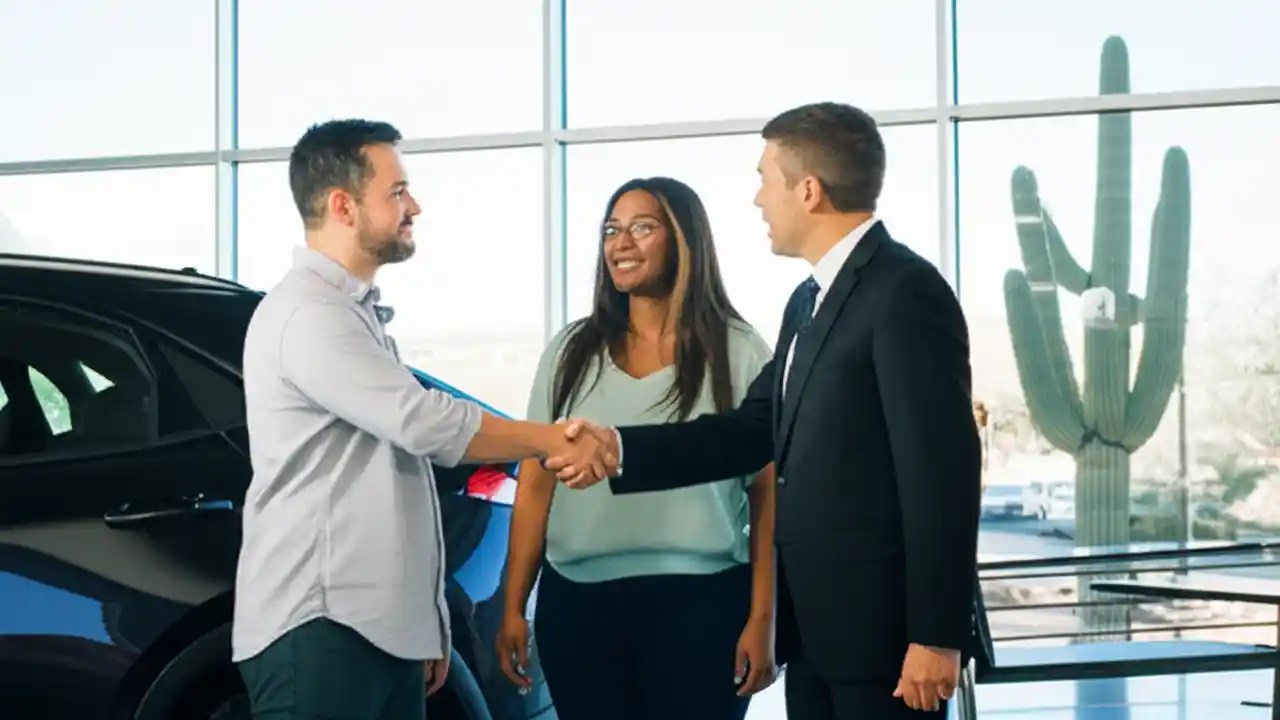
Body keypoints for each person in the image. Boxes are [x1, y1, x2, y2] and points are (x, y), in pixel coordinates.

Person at [547, 102, 982, 719]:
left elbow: (943, 475)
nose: (757, 200)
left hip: (888, 647)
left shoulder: (905, 291)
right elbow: (750, 433)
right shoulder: (807, 302)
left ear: (808, 191)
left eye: (764, 179)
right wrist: (619, 448)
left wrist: (936, 635)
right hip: (818, 640)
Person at [231, 118, 608, 720]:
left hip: (376, 632)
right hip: (321, 626)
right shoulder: (308, 314)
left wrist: (423, 625)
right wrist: (548, 439)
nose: (416, 206)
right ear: (343, 205)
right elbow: (424, 423)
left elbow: (391, 480)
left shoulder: (350, 316)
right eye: (397, 191)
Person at [495, 177, 779, 720]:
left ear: (684, 240)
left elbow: (768, 499)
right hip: (578, 607)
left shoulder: (738, 352)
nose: (620, 243)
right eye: (611, 230)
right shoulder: (569, 353)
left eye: (642, 228)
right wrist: (513, 606)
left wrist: (763, 619)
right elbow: (535, 486)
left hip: (703, 605)